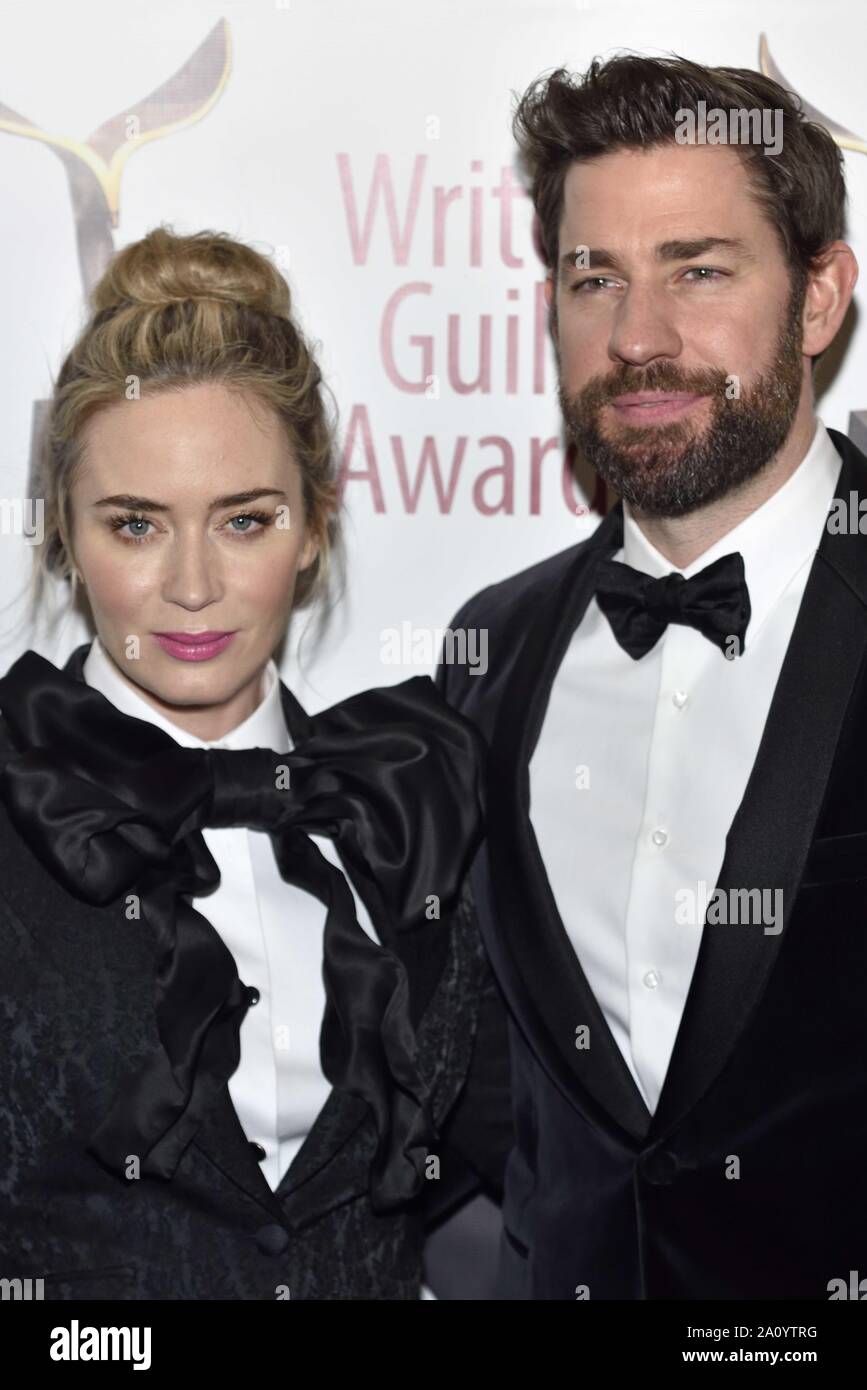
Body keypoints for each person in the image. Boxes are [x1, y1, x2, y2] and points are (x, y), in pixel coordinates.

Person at [0, 225, 507, 1300]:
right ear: (61, 536)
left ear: (316, 525)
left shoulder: (412, 802)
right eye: (135, 524)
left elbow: (529, 1171)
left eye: (245, 520)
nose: (194, 584)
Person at [436, 54, 865, 1299]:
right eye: (595, 279)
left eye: (699, 269)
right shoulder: (492, 655)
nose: (637, 337)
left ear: (821, 297)